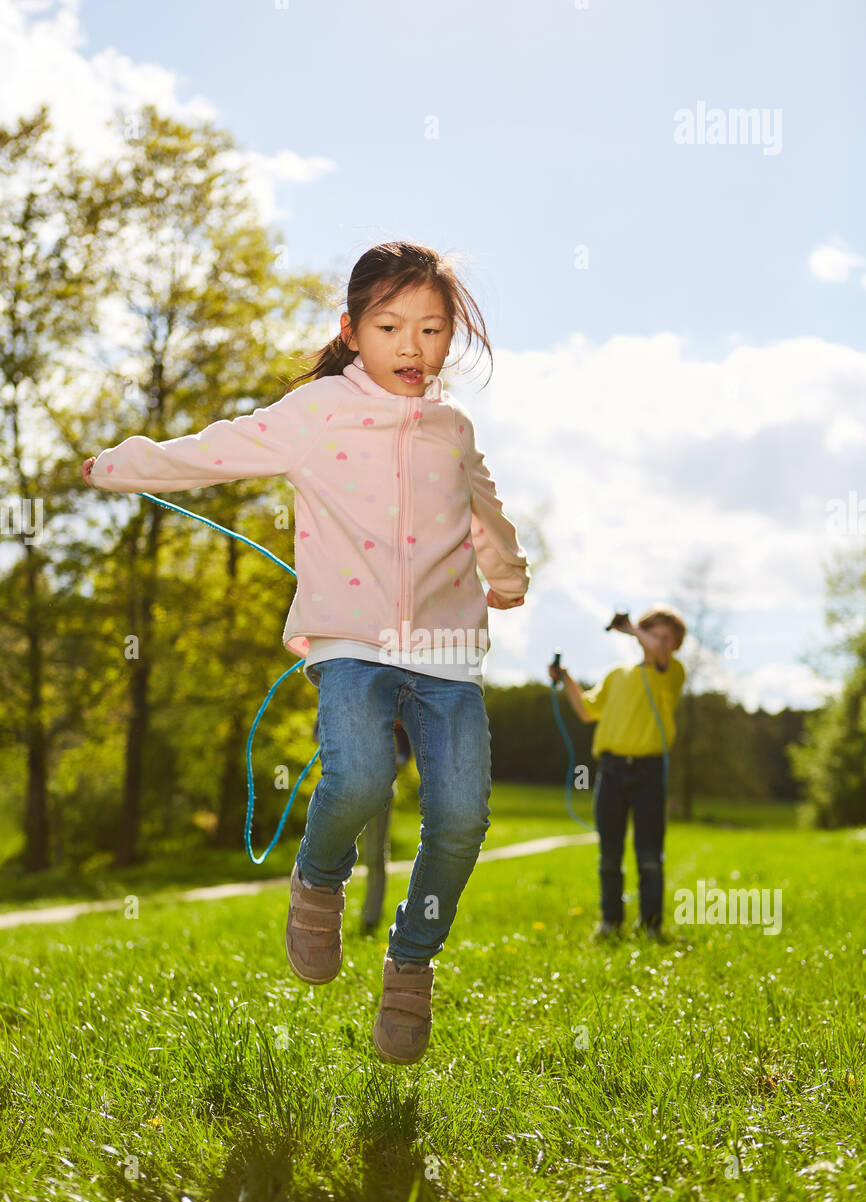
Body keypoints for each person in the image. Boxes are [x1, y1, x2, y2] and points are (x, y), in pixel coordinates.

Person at [83, 240, 530, 1065]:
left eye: (431, 329)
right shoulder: (317, 411)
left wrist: (505, 573)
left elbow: (485, 512)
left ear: (451, 339)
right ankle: (319, 882)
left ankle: (410, 966)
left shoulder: (452, 430)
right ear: (353, 330)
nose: (412, 346)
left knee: (462, 818)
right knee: (359, 776)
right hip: (351, 640)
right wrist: (126, 465)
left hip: (444, 652)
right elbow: (217, 448)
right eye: (390, 325)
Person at [548, 606, 686, 943]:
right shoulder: (617, 674)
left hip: (650, 771)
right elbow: (585, 709)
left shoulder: (672, 672)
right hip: (611, 770)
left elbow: (657, 652)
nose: (659, 643)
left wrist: (632, 628)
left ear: (675, 647)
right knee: (609, 853)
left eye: (667, 639)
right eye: (656, 634)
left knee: (649, 855)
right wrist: (565, 677)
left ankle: (651, 926)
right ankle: (611, 923)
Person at [360, 720, 413, 933]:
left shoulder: (393, 702)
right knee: (335, 851)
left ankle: (371, 915)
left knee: (374, 853)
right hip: (344, 782)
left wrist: (394, 761)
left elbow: (404, 750)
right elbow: (319, 730)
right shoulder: (343, 693)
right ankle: (323, 916)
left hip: (381, 786)